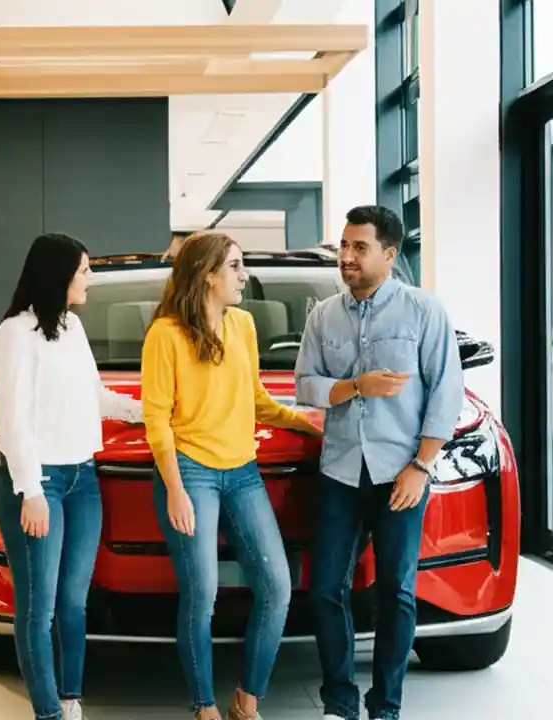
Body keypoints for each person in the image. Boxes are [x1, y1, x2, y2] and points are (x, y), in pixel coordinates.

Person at [140, 232, 321, 720]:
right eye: (236, 266)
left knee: (277, 586)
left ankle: (247, 699)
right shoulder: (166, 334)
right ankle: (204, 707)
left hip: (242, 471)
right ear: (207, 275)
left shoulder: (242, 324)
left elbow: (258, 400)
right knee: (202, 595)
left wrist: (309, 425)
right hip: (190, 474)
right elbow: (155, 416)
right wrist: (175, 488)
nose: (244, 276)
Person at [293, 206, 464, 720]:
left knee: (397, 590)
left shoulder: (424, 311)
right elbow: (306, 386)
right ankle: (339, 703)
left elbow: (445, 393)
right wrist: (354, 387)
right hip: (340, 471)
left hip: (400, 474)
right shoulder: (323, 315)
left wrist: (421, 467)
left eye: (359, 248)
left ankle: (386, 705)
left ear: (389, 254)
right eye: (343, 246)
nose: (346, 257)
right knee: (325, 589)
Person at [0, 232, 143, 720]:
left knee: (74, 601)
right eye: (84, 271)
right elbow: (11, 418)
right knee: (39, 608)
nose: (90, 279)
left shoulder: (72, 328)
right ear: (59, 276)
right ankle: (48, 712)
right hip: (39, 485)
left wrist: (145, 411)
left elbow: (93, 396)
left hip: (83, 479)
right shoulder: (14, 333)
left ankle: (70, 699)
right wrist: (31, 491)